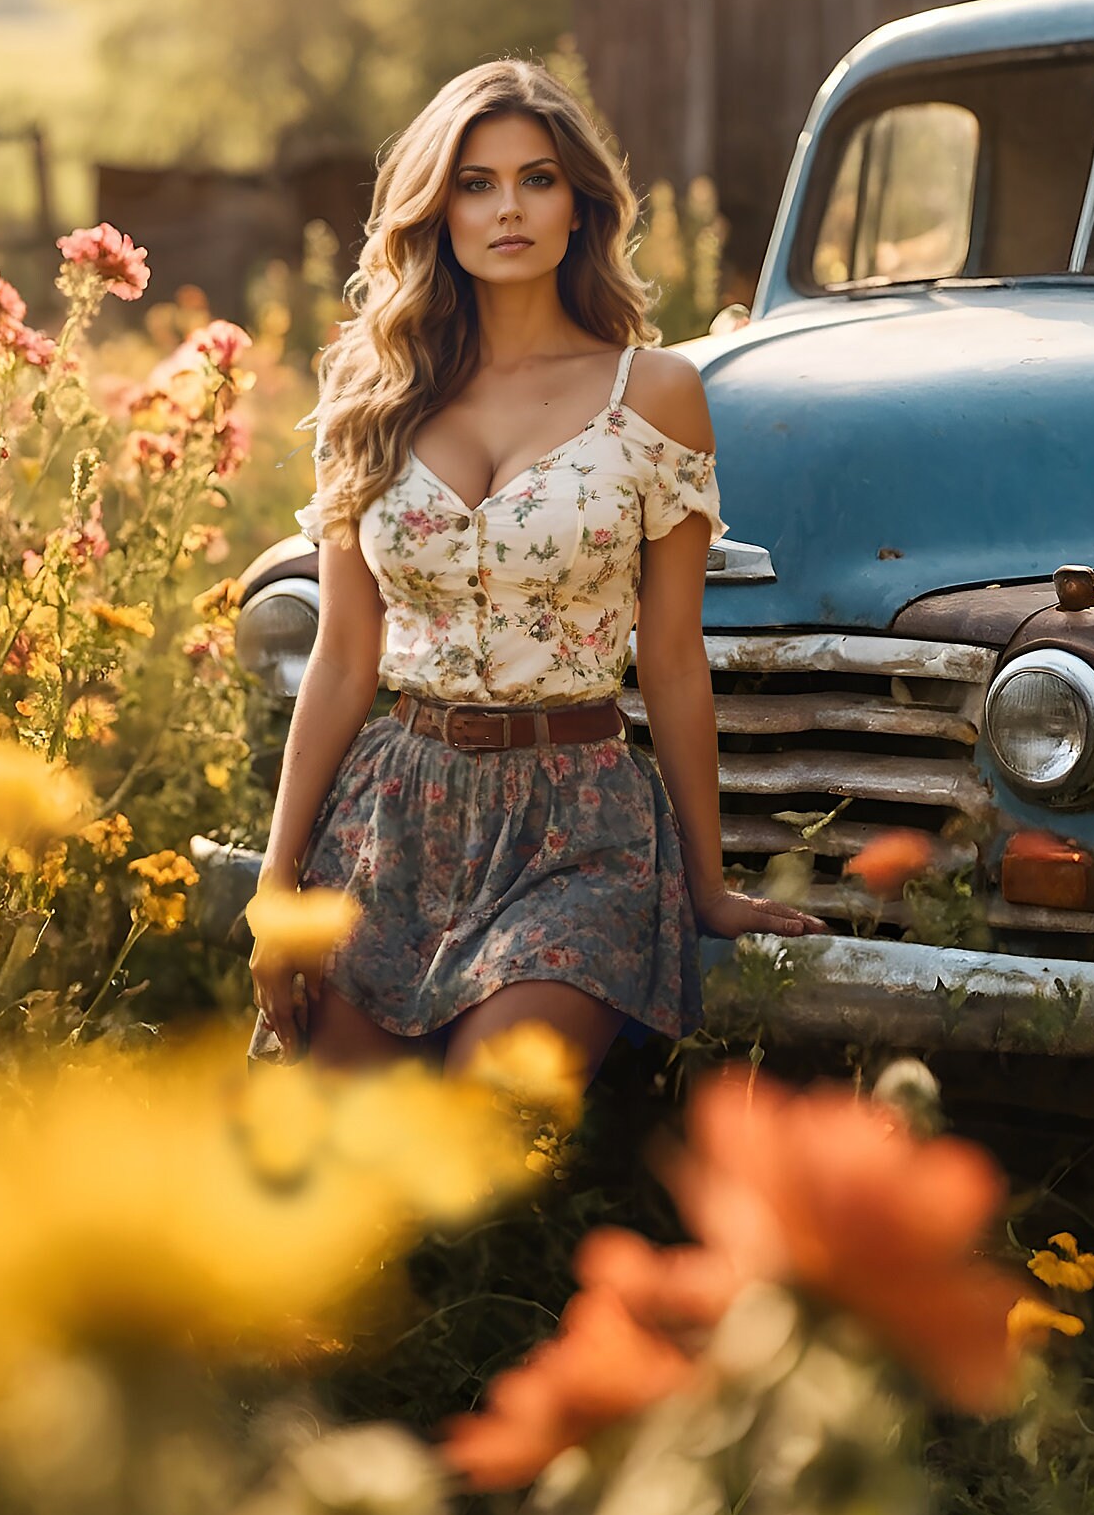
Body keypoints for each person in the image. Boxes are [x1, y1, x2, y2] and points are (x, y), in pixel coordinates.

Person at [250, 59, 821, 1078]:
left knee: (496, 1105)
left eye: (537, 178)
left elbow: (674, 657)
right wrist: (275, 884)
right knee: (338, 1141)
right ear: (438, 209)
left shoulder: (655, 395)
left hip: (580, 821)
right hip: (394, 811)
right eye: (476, 182)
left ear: (580, 206)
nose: (507, 206)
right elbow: (342, 658)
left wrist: (710, 880)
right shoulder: (368, 396)